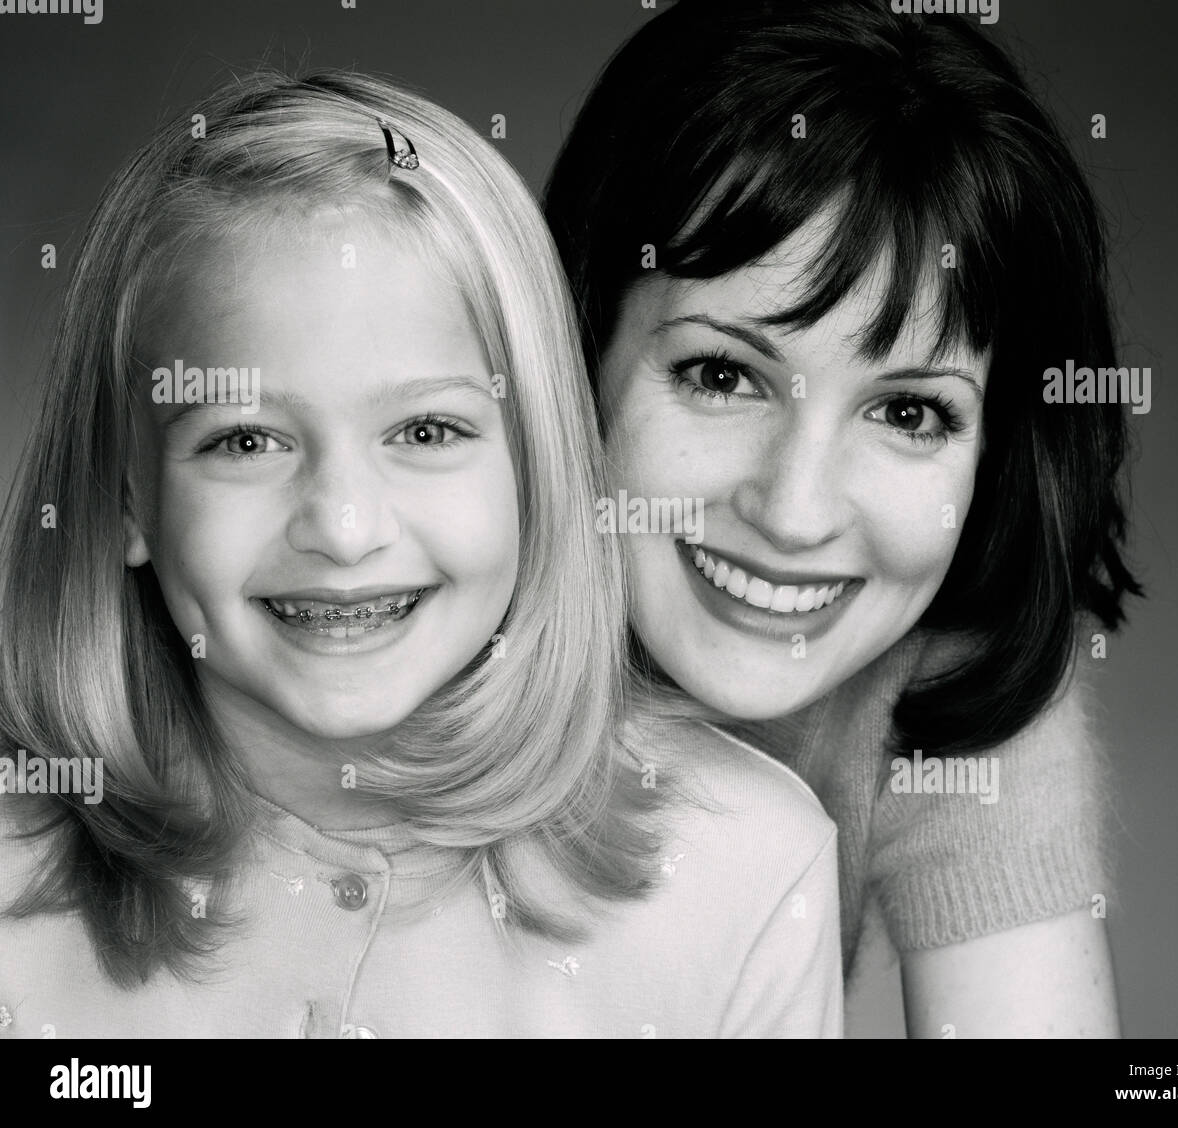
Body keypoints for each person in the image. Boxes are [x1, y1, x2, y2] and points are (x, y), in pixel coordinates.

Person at [0, 70, 840, 1038]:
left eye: (428, 432)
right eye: (245, 441)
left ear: (538, 468)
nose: (346, 528)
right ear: (125, 500)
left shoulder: (747, 872)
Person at [545, 0, 1142, 1035]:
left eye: (909, 411)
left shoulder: (943, 683)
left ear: (996, 454)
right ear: (573, 348)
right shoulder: (394, 592)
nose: (793, 510)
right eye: (722, 373)